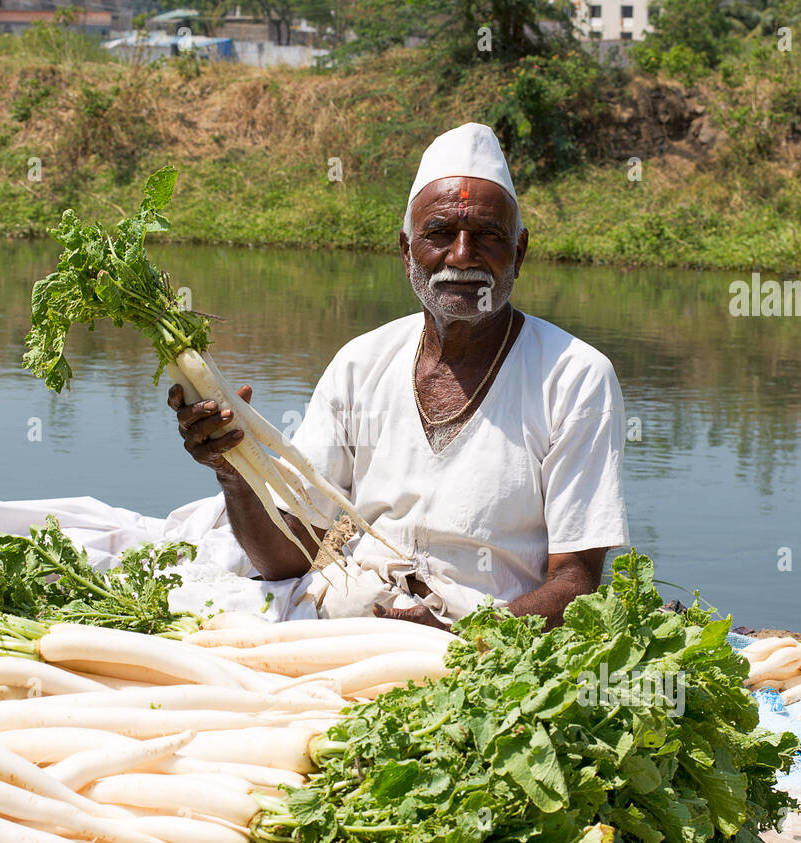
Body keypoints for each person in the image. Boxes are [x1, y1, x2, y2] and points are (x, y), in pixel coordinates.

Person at [168, 122, 629, 630]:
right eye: (438, 235)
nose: (460, 256)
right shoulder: (360, 364)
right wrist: (233, 469)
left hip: (486, 648)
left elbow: (576, 584)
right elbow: (289, 559)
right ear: (407, 252)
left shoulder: (575, 377)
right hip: (350, 624)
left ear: (518, 253)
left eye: (487, 237)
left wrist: (459, 636)